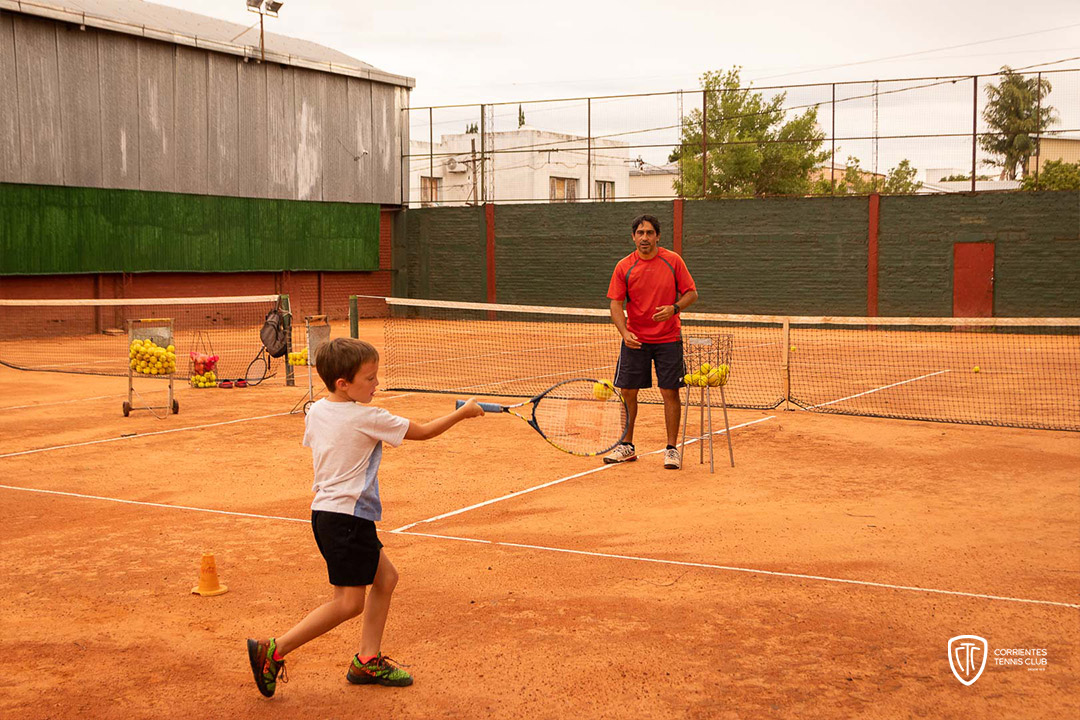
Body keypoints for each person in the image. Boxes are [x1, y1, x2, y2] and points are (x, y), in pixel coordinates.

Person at [247, 337, 483, 697]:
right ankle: (274, 650)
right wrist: (463, 412)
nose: (376, 385)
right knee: (349, 603)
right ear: (343, 383)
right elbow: (423, 432)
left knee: (385, 578)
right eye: (370, 378)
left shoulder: (317, 410)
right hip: (347, 520)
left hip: (328, 515)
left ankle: (366, 660)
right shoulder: (368, 417)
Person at [604, 214, 698, 470]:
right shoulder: (624, 266)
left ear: (657, 236)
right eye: (640, 233)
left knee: (670, 392)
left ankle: (671, 449)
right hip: (635, 340)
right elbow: (615, 303)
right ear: (633, 237)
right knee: (627, 392)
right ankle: (627, 445)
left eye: (649, 233)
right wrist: (624, 333)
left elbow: (692, 292)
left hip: (668, 339)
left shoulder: (673, 261)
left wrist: (674, 308)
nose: (644, 237)